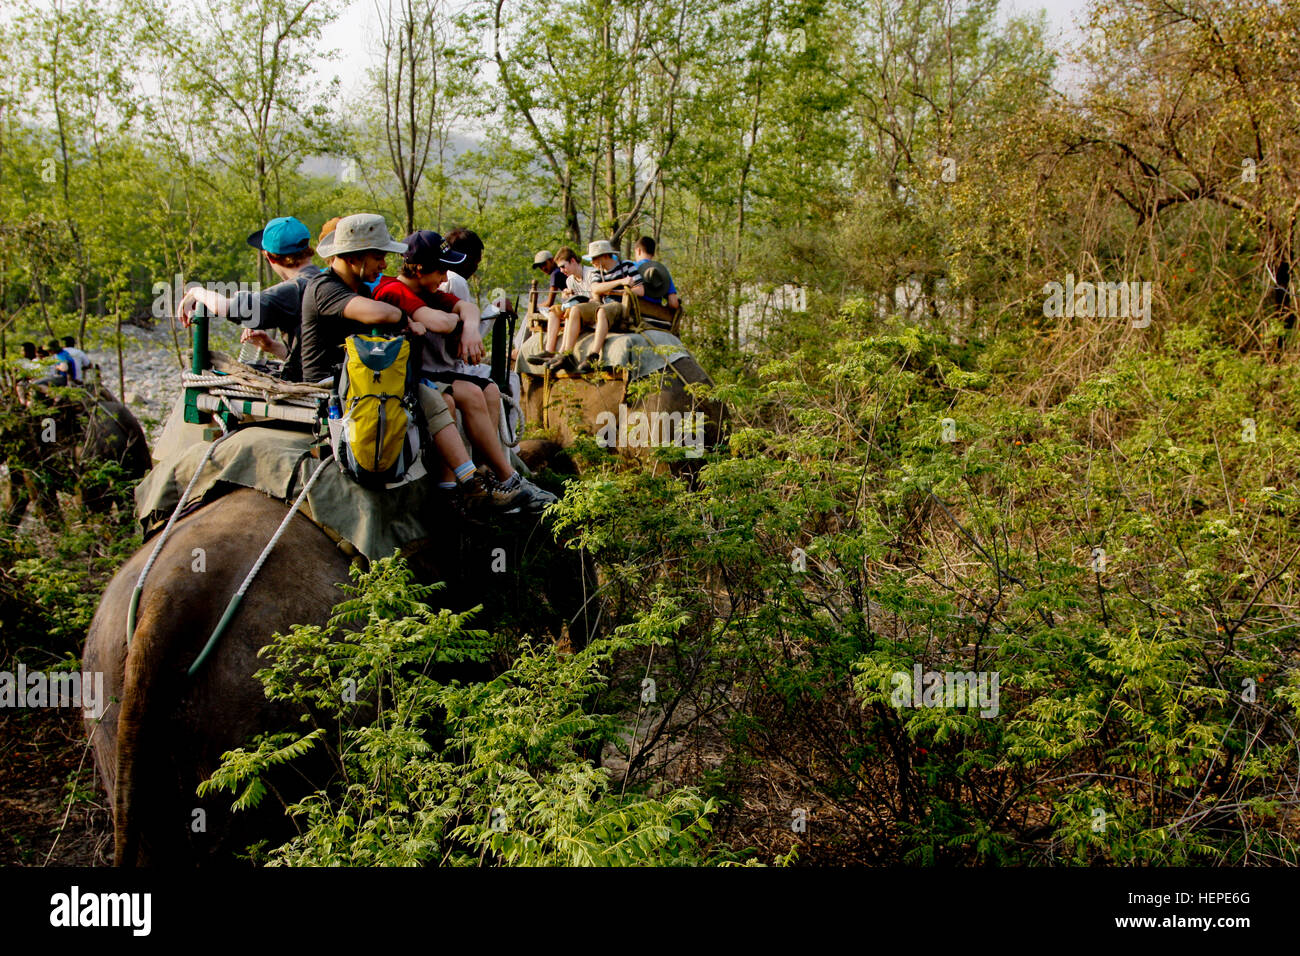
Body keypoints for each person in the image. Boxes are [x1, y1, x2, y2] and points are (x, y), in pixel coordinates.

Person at [300, 213, 532, 515]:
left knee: (433, 400)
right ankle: (470, 483)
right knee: (435, 398)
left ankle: (471, 481)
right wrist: (406, 317)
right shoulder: (325, 287)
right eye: (378, 256)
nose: (384, 265)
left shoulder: (361, 285)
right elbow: (377, 314)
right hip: (332, 381)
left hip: (363, 375)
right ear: (355, 257)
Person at [376, 231, 554, 511]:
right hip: (408, 377)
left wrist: (470, 328)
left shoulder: (428, 291)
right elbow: (441, 323)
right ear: (419, 268)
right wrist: (453, 320)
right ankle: (503, 479)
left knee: (488, 389)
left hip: (426, 374)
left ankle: (494, 477)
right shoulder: (393, 290)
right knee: (469, 393)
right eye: (441, 270)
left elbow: (467, 308)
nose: (446, 278)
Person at [177, 216, 321, 380]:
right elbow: (312, 362)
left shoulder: (294, 289)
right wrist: (271, 347)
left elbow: (225, 307)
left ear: (269, 257)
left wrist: (196, 292)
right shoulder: (324, 278)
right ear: (307, 248)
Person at [546, 239, 643, 375]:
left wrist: (617, 292)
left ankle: (593, 355)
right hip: (600, 303)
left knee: (601, 311)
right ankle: (566, 354)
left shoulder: (627, 266)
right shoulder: (598, 272)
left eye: (594, 258)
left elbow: (640, 290)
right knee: (575, 309)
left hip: (619, 305)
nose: (592, 262)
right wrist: (620, 282)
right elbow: (595, 288)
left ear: (604, 256)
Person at [528, 247, 593, 368]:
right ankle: (549, 351)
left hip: (588, 308)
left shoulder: (590, 273)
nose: (562, 270)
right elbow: (568, 300)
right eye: (560, 267)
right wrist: (567, 295)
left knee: (570, 309)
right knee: (554, 310)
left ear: (573, 261)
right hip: (576, 306)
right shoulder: (570, 280)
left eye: (563, 266)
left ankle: (565, 352)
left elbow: (594, 298)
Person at [633, 236, 678, 310]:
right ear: (653, 254)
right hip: (656, 316)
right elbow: (673, 303)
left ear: (638, 251)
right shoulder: (662, 271)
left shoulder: (631, 267)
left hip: (635, 312)